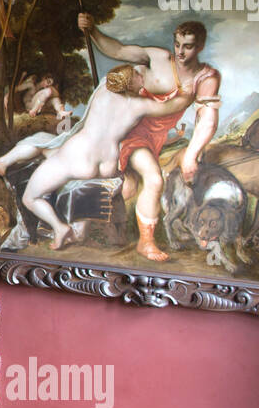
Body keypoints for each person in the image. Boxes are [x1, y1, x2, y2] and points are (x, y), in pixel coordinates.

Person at [0, 64, 193, 250]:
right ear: (131, 81)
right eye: (139, 76)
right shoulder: (140, 105)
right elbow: (173, 105)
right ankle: (74, 227)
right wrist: (190, 91)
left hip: (82, 156)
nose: (143, 81)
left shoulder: (103, 87)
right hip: (108, 163)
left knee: (30, 197)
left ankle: (60, 228)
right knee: (45, 144)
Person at [80, 15, 222, 262]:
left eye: (187, 46)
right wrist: (93, 30)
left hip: (153, 137)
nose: (180, 51)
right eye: (177, 44)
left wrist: (190, 155)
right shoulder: (158, 58)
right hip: (129, 128)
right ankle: (145, 243)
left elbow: (207, 119)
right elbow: (118, 50)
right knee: (154, 179)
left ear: (199, 47)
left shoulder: (205, 78)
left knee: (128, 187)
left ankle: (79, 220)